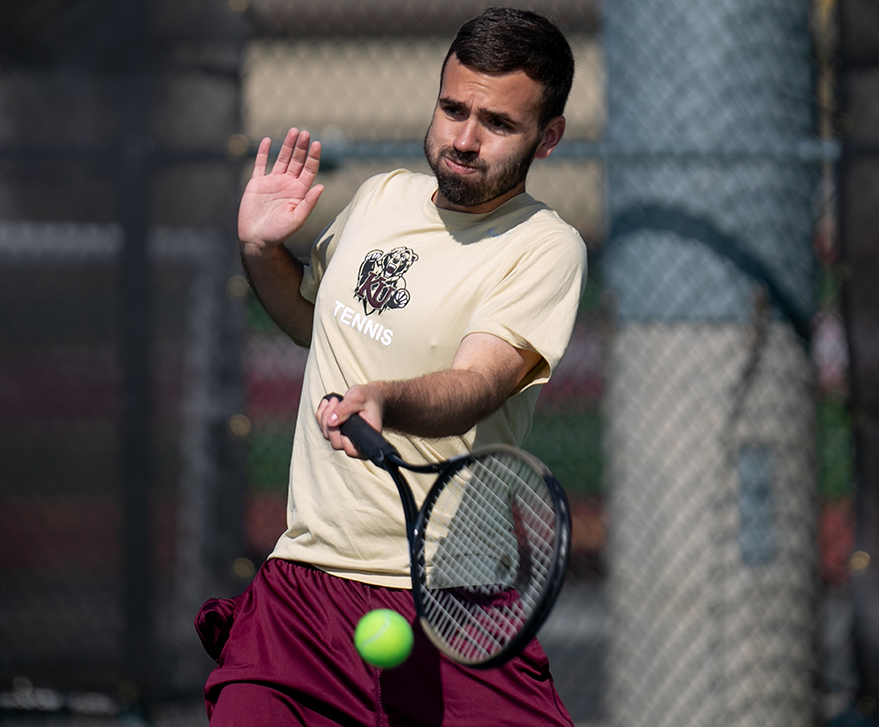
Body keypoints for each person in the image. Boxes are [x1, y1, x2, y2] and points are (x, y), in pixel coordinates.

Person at [197, 7, 587, 726]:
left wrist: (386, 400)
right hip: (304, 592)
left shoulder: (544, 247)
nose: (464, 139)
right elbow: (315, 324)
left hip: (454, 602)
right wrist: (259, 250)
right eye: (453, 108)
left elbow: (478, 384)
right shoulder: (380, 198)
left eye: (497, 124)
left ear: (548, 136)